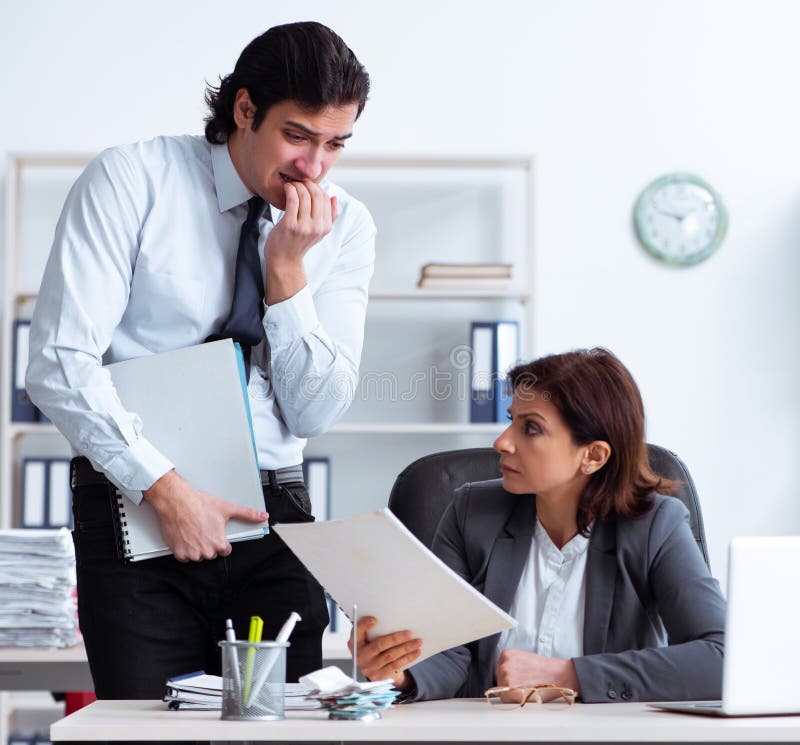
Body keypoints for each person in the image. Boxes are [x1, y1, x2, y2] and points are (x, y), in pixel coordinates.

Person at [26, 21, 374, 698]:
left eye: (335, 144)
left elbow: (315, 411)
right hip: (139, 509)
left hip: (275, 513)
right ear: (244, 110)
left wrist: (287, 277)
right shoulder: (132, 179)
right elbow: (59, 361)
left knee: (291, 727)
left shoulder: (345, 226)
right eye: (297, 136)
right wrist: (164, 488)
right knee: (148, 730)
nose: (315, 166)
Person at [351, 348, 726, 703]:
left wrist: (569, 675)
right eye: (510, 421)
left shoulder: (654, 525)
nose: (501, 442)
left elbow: (722, 658)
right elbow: (451, 653)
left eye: (531, 429)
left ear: (593, 455)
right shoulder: (471, 512)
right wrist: (400, 673)